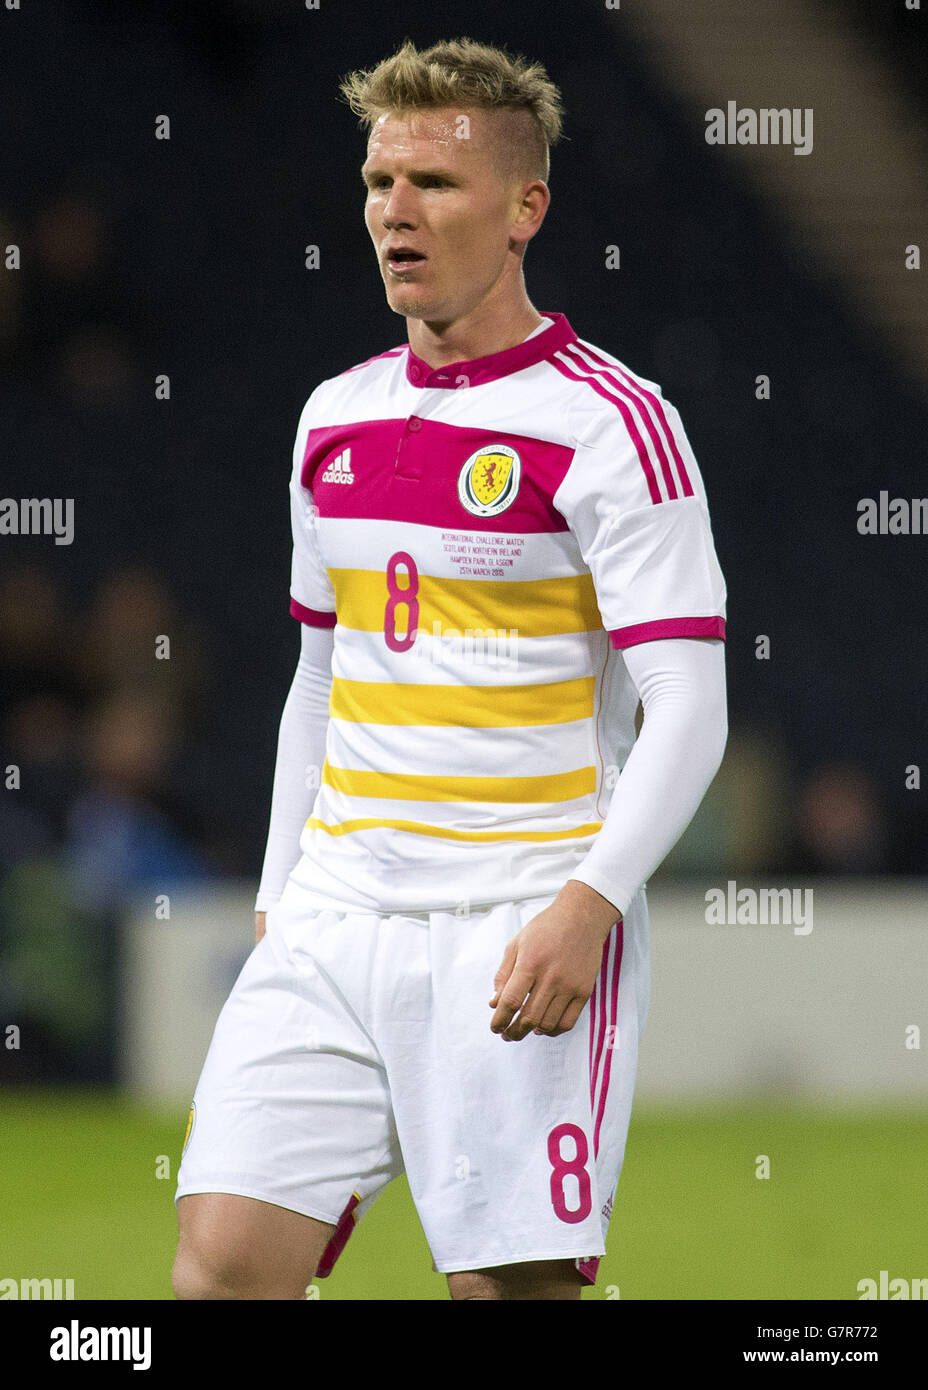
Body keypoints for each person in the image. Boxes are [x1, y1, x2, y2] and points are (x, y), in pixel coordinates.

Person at [172, 37, 728, 1302]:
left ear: (526, 208)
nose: (393, 213)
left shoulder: (612, 423)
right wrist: (278, 894)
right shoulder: (333, 416)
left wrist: (587, 904)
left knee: (508, 1295)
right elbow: (318, 675)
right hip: (333, 916)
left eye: (434, 183)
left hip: (517, 921)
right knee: (219, 1273)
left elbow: (690, 702)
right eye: (378, 183)